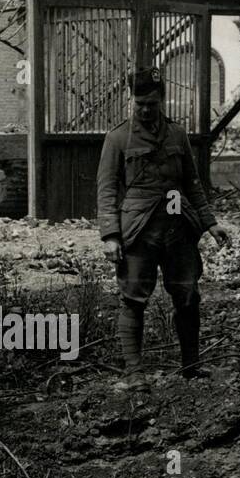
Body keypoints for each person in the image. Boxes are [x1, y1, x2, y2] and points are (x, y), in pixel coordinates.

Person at [96, 66, 230, 384]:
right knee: (133, 298)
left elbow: (193, 184)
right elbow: (107, 189)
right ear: (131, 100)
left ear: (162, 101)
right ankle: (134, 374)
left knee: (187, 295)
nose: (145, 109)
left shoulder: (177, 135)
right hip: (138, 231)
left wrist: (210, 224)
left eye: (151, 104)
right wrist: (110, 235)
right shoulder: (117, 138)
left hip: (178, 228)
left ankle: (190, 366)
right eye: (139, 103)